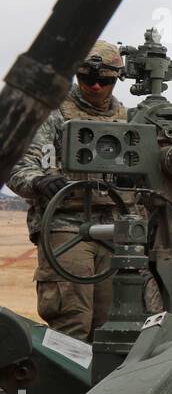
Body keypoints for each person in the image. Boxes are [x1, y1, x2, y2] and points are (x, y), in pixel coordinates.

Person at [7, 41, 135, 340]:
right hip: (66, 228)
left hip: (116, 229)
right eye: (86, 78)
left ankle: (106, 387)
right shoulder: (54, 114)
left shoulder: (128, 120)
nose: (94, 86)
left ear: (116, 79)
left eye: (104, 80)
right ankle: (68, 387)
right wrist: (39, 182)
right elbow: (18, 166)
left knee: (114, 325)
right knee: (72, 324)